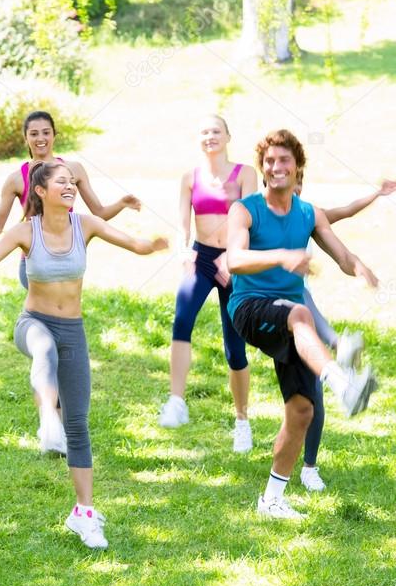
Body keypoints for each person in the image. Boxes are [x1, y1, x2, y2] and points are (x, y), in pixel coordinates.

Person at [0, 160, 168, 549]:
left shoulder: (85, 225)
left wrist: (154, 245)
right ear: (40, 191)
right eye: (62, 182)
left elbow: (132, 243)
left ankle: (84, 513)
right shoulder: (26, 231)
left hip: (72, 330)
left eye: (72, 181)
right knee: (44, 349)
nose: (71, 186)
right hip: (33, 322)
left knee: (78, 424)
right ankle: (46, 419)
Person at [226, 129, 378, 520]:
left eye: (284, 160)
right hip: (250, 308)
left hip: (292, 321)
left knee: (302, 410)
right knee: (300, 313)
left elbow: (342, 255)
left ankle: (271, 499)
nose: (276, 167)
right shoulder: (245, 210)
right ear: (262, 168)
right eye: (269, 161)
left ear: (298, 168)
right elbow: (235, 261)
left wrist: (359, 267)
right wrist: (280, 256)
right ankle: (343, 384)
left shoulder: (309, 213)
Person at [159, 115, 259, 451]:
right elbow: (182, 225)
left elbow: (249, 219)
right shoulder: (190, 177)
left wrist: (231, 256)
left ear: (228, 136)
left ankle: (242, 421)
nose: (210, 136)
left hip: (233, 261)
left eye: (216, 131)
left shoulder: (245, 174)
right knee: (182, 319)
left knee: (234, 347)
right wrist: (183, 252)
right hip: (201, 259)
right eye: (204, 131)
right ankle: (176, 401)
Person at [294, 178, 394, 491]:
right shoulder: (257, 214)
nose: (293, 190)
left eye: (298, 183)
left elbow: (346, 211)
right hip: (271, 305)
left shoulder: (308, 214)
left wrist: (376, 194)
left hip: (301, 311)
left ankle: (309, 467)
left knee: (313, 391)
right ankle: (339, 343)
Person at [0, 110, 141, 288]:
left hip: (68, 259)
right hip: (36, 262)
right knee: (44, 305)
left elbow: (99, 213)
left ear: (54, 135)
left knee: (66, 305)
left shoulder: (74, 170)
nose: (40, 138)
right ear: (25, 138)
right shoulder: (16, 179)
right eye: (34, 134)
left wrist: (121, 204)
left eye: (46, 132)